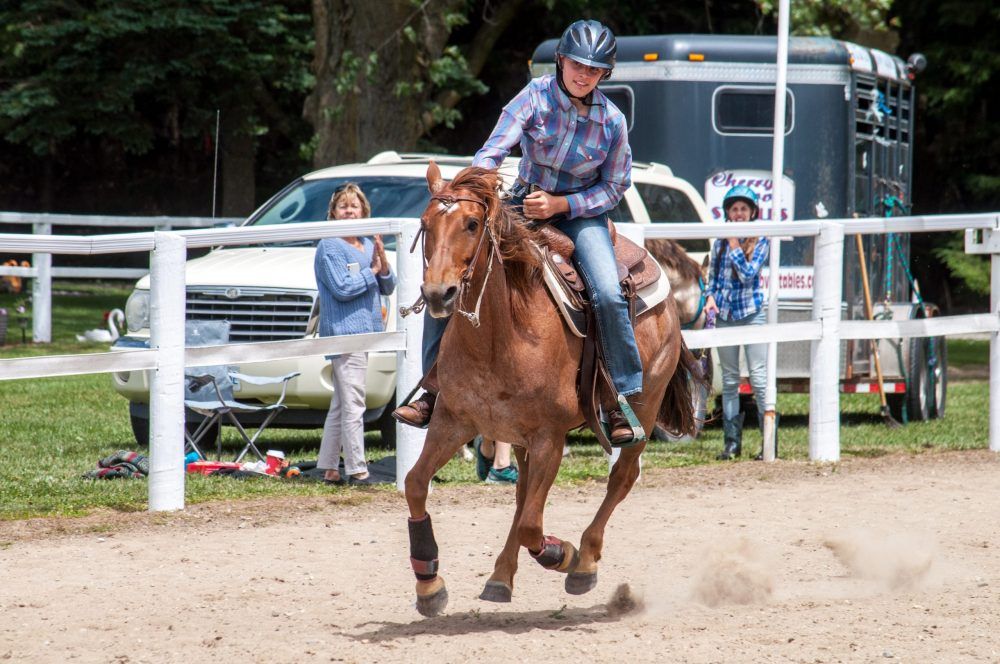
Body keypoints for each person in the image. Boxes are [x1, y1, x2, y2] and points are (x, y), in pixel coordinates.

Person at [393, 19, 645, 446]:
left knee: (605, 290)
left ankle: (616, 396)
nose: (583, 75)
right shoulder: (535, 96)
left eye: (594, 70)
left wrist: (562, 205)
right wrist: (474, 186)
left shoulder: (613, 123)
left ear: (604, 75)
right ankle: (433, 389)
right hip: (521, 202)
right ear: (561, 61)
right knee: (452, 274)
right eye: (577, 65)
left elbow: (616, 185)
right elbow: (494, 149)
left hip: (578, 214)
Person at [314, 183, 395, 485]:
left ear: (364, 211)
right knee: (355, 402)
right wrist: (371, 272)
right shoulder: (329, 246)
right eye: (343, 206)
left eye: (355, 206)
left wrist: (383, 267)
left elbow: (388, 285)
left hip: (367, 332)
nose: (349, 211)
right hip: (343, 333)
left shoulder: (369, 242)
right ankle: (357, 468)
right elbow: (341, 288)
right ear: (333, 213)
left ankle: (329, 466)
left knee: (342, 401)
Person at [703, 185, 771, 460]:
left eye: (744, 208)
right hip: (726, 315)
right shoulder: (720, 242)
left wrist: (733, 244)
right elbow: (713, 276)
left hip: (752, 313)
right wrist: (710, 297)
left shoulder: (761, 238)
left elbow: (747, 274)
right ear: (728, 212)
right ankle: (731, 443)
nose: (739, 213)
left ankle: (769, 442)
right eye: (734, 209)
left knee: (759, 377)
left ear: (752, 212)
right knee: (729, 380)